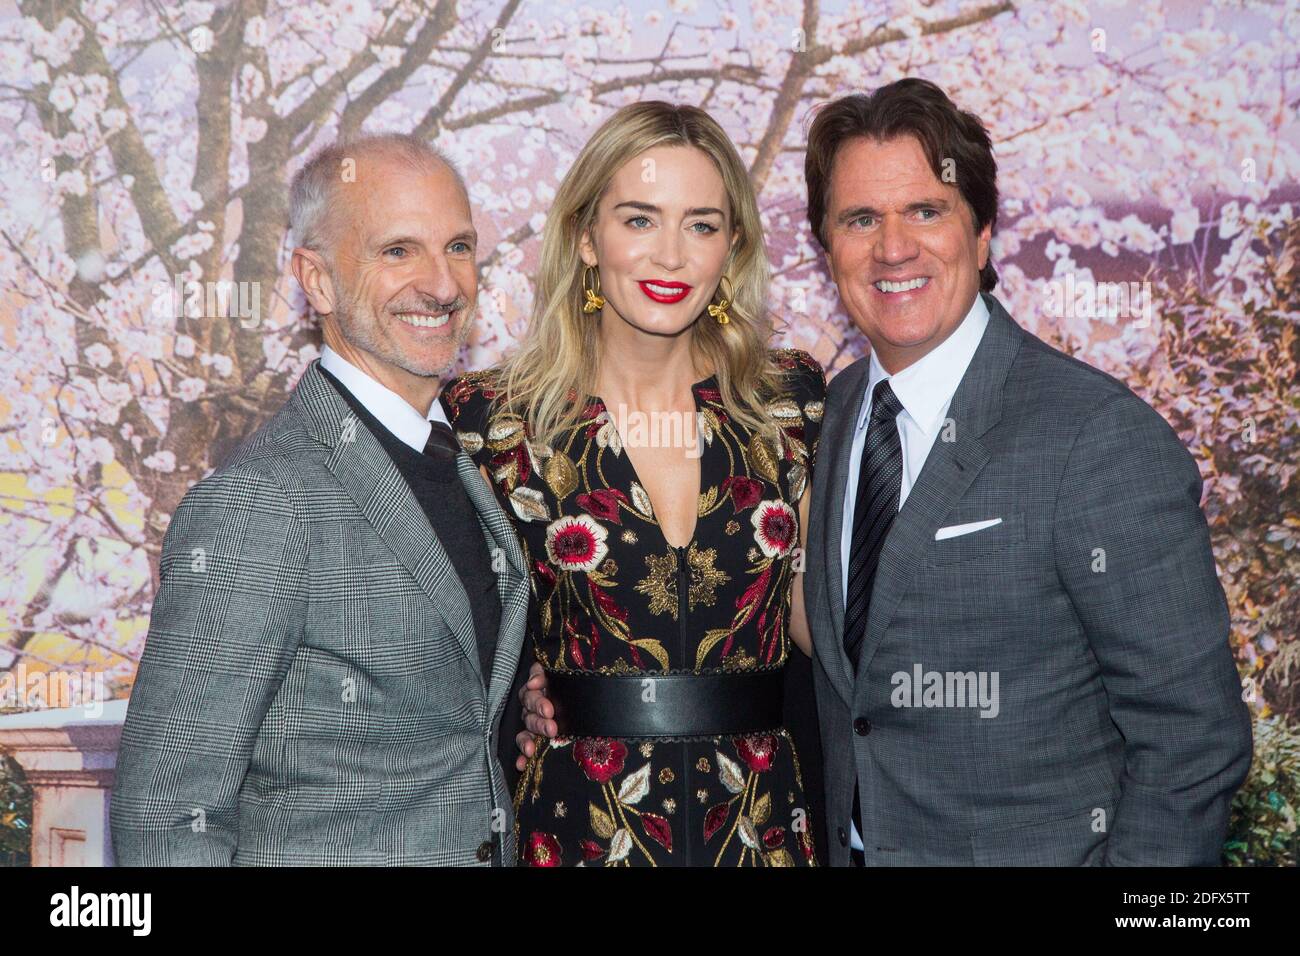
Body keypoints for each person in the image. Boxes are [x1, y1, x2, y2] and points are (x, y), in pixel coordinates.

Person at [524, 79, 1255, 866]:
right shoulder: (820, 417)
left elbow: (1192, 739)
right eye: (860, 219)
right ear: (825, 245)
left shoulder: (1094, 436)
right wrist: (564, 692)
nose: (893, 247)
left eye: (926, 211)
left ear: (981, 235)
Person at [111, 134, 529, 866]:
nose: (443, 283)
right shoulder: (260, 502)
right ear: (318, 280)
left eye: (458, 246)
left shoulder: (468, 465)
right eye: (397, 251)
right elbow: (169, 816)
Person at [441, 102, 825, 867]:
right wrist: (516, 698)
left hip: (760, 829)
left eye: (703, 225)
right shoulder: (493, 421)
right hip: (578, 825)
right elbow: (455, 643)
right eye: (641, 220)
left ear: (732, 248)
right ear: (586, 237)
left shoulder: (787, 403)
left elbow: (826, 629)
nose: (673, 257)